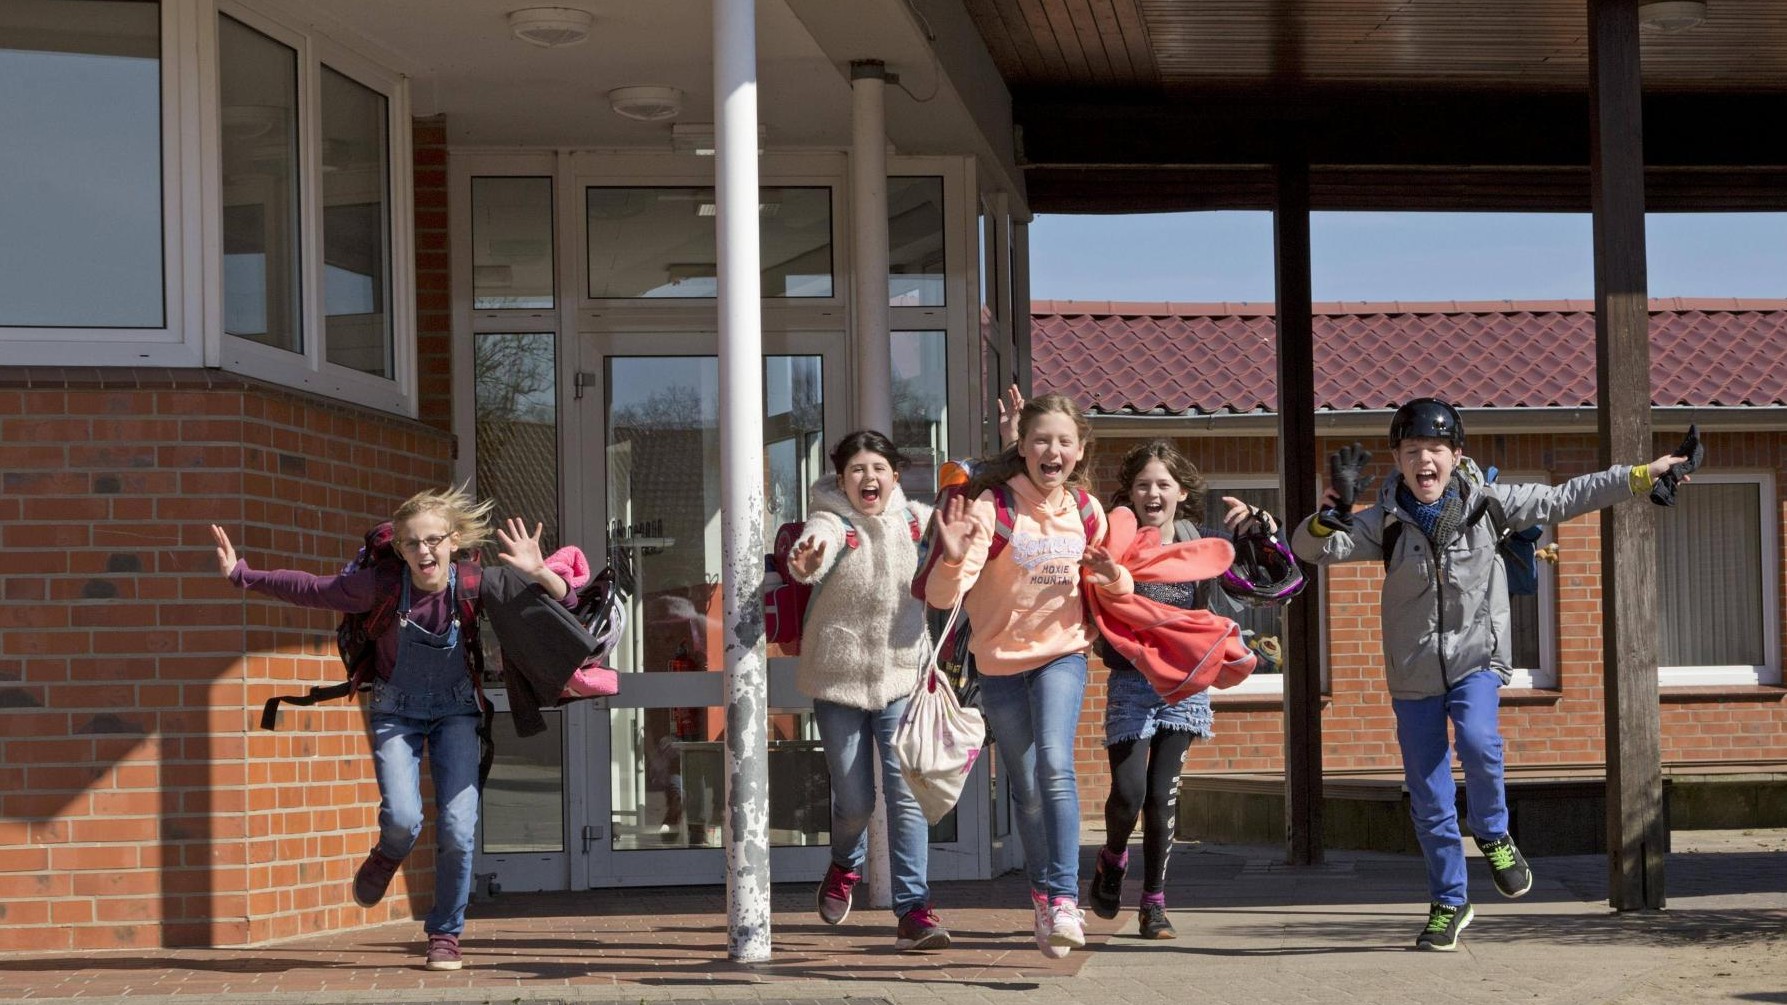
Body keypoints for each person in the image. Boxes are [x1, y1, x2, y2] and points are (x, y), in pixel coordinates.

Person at [1290, 398, 1697, 952]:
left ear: (1457, 456)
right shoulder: (1383, 520)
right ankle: (1450, 902)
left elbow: (1564, 497)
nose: (1424, 460)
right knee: (1429, 797)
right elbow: (1308, 550)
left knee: (1480, 741)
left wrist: (1643, 475)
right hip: (1412, 674)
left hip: (1476, 660)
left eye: (1436, 449)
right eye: (1412, 450)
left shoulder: (1489, 505)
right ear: (1398, 459)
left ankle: (1493, 832)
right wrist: (1327, 515)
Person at [211, 487, 575, 972]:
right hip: (395, 712)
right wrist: (241, 574)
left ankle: (445, 933)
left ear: (454, 540)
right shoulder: (380, 585)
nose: (424, 551)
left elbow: (566, 604)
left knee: (458, 829)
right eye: (412, 543)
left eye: (433, 540)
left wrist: (540, 572)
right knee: (403, 819)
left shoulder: (475, 583)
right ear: (399, 549)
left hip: (456, 712)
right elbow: (312, 588)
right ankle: (387, 854)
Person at [925, 392, 1130, 958]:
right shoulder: (992, 508)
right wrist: (951, 557)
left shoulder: (1087, 511)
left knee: (1055, 767)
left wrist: (1113, 576)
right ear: (1022, 446)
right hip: (999, 664)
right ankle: (1043, 895)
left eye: (1064, 441)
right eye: (1041, 440)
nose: (1052, 451)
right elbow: (943, 597)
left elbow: (1120, 589)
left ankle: (1064, 898)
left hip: (1063, 654)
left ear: (1080, 450)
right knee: (1027, 788)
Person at [1088, 440, 1285, 939]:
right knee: (1128, 794)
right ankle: (1112, 859)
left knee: (1161, 798)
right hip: (1132, 683)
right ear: (1130, 492)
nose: (1152, 494)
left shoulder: (1202, 545)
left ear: (1181, 492)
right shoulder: (1117, 543)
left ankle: (1153, 903)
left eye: (1163, 484)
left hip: (1185, 685)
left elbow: (1263, 584)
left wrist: (1260, 532)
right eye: (1142, 485)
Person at [785, 429, 946, 951]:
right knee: (855, 803)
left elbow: (964, 543)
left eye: (878, 468)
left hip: (902, 676)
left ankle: (914, 910)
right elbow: (817, 543)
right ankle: (844, 864)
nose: (867, 478)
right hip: (837, 680)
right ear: (841, 480)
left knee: (907, 796)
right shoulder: (831, 519)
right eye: (856, 469)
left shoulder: (918, 521)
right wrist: (806, 560)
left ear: (895, 477)